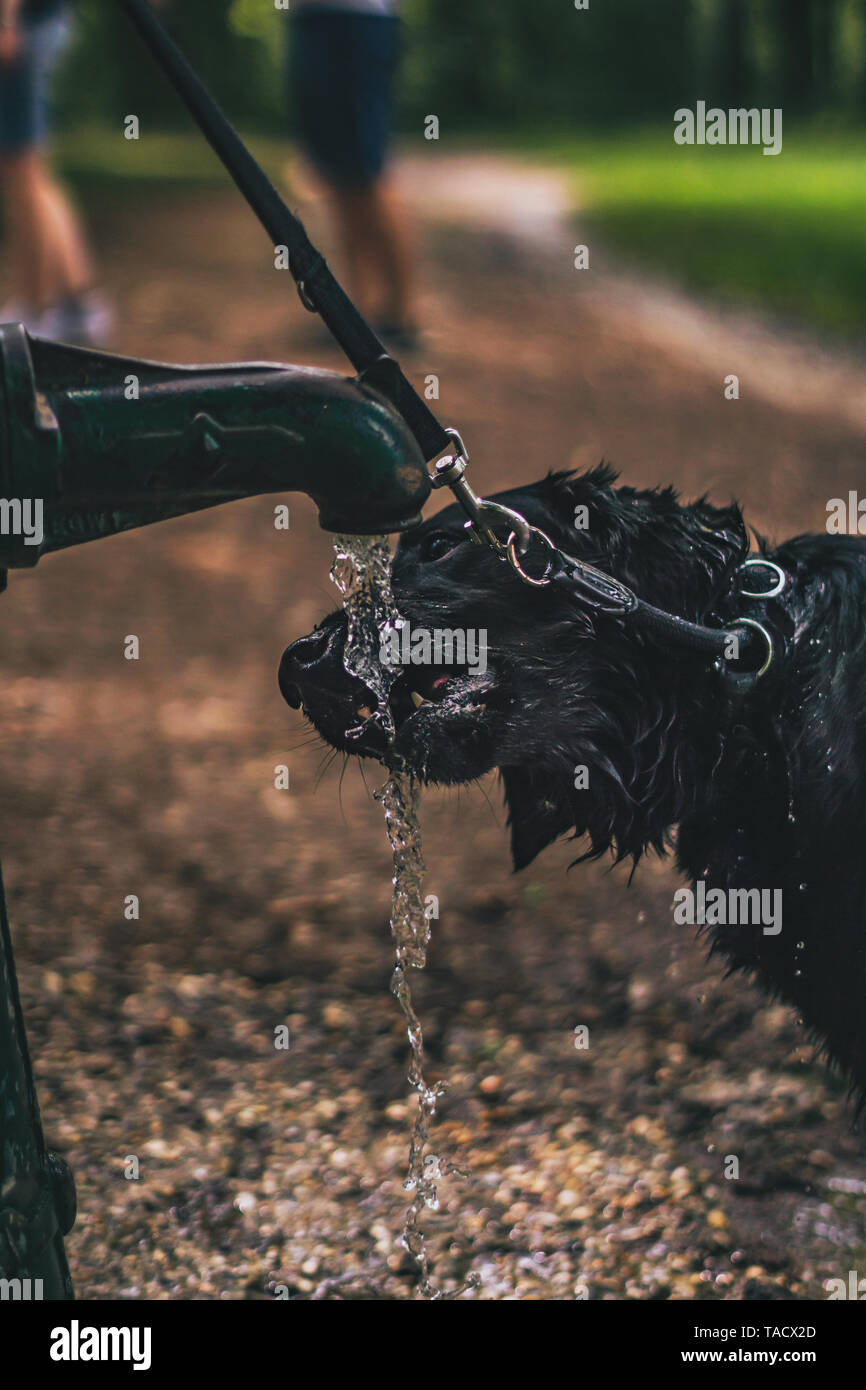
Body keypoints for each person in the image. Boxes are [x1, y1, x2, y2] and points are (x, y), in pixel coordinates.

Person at [286, 0, 418, 351]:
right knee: (337, 169)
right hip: (316, 18)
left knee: (366, 167)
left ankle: (400, 316)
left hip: (353, 18)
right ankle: (354, 315)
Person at [0, 0, 110, 344]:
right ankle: (79, 306)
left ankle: (35, 315)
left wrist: (6, 21)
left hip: (23, 22)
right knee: (31, 171)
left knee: (20, 168)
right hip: (40, 17)